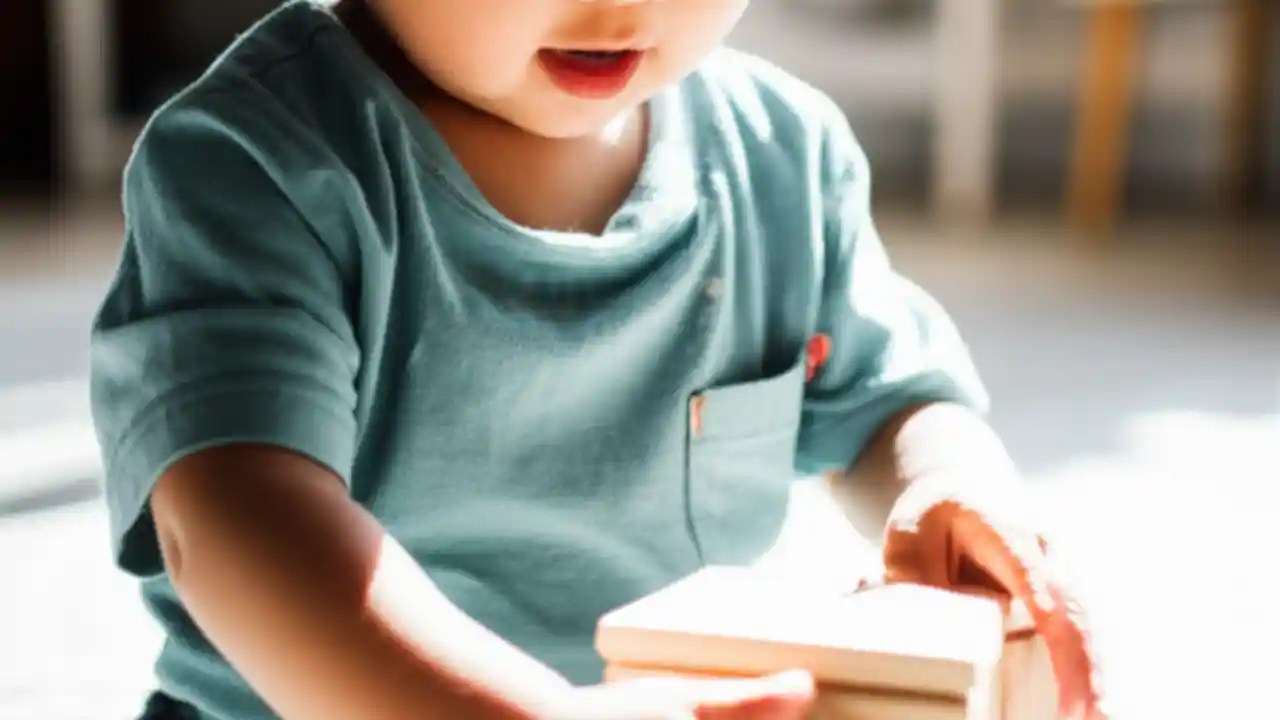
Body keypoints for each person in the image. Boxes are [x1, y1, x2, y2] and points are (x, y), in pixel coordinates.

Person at [90, 1, 1105, 718]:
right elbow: (231, 522)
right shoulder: (256, 162)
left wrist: (944, 484)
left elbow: (890, 398)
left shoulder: (782, 153)